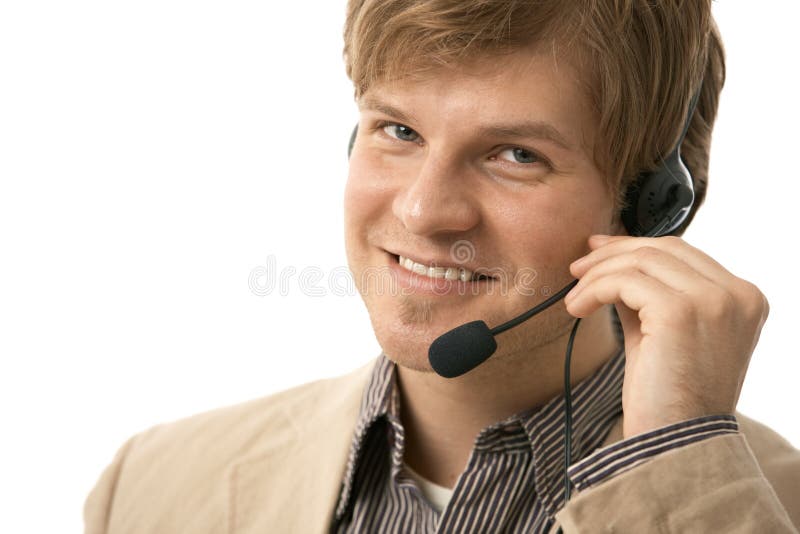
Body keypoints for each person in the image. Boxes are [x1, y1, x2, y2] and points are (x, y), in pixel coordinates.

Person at [84, 1, 800, 532]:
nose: (425, 211)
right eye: (399, 130)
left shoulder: (768, 508)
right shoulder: (150, 489)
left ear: (652, 207)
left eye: (517, 155)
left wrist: (677, 463)